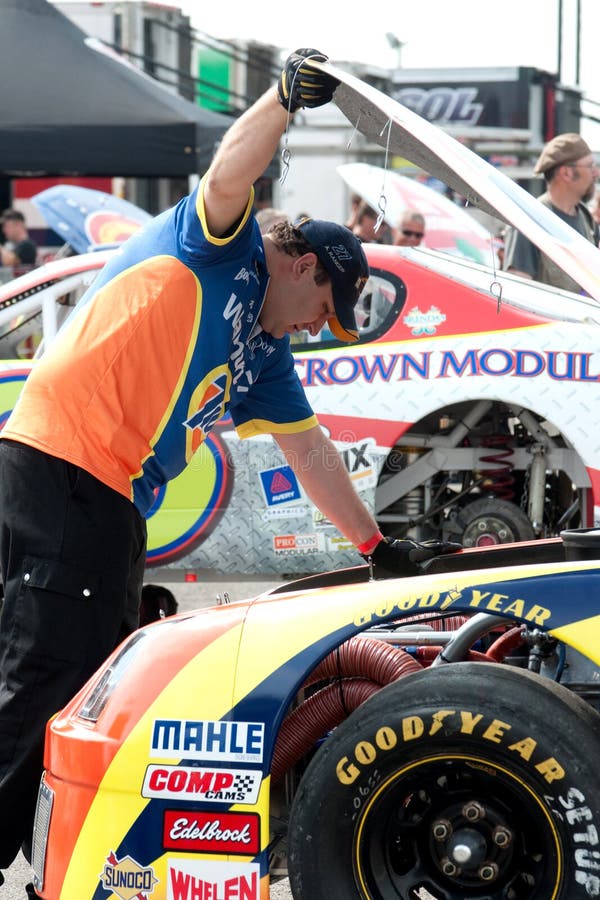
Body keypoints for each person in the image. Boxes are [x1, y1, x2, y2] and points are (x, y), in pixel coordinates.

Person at [0, 48, 460, 892]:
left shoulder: (268, 356)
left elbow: (310, 451)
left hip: (107, 497)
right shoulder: (224, 252)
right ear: (303, 265)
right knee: (46, 673)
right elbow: (227, 171)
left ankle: (57, 866)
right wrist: (282, 102)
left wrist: (372, 544)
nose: (317, 329)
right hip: (63, 461)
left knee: (92, 682)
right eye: (324, 309)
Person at [503, 133, 600, 290]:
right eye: (590, 166)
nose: (596, 173)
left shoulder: (587, 220)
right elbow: (517, 291)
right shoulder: (529, 220)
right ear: (566, 173)